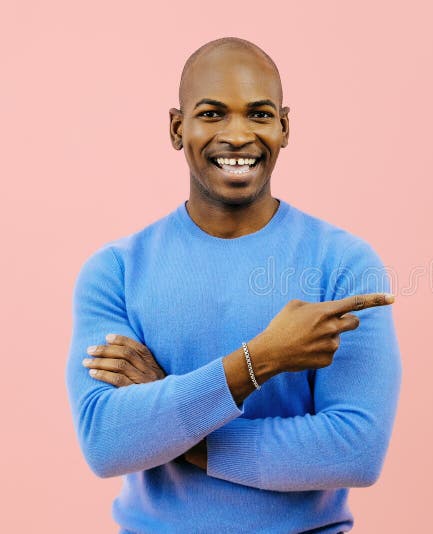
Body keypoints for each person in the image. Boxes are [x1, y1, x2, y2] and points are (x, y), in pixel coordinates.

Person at [65, 36, 402, 534]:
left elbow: (355, 450)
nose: (238, 135)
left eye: (260, 115)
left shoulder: (343, 264)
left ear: (285, 128)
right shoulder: (115, 270)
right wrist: (262, 358)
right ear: (178, 129)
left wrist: (176, 427)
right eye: (212, 113)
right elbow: (107, 442)